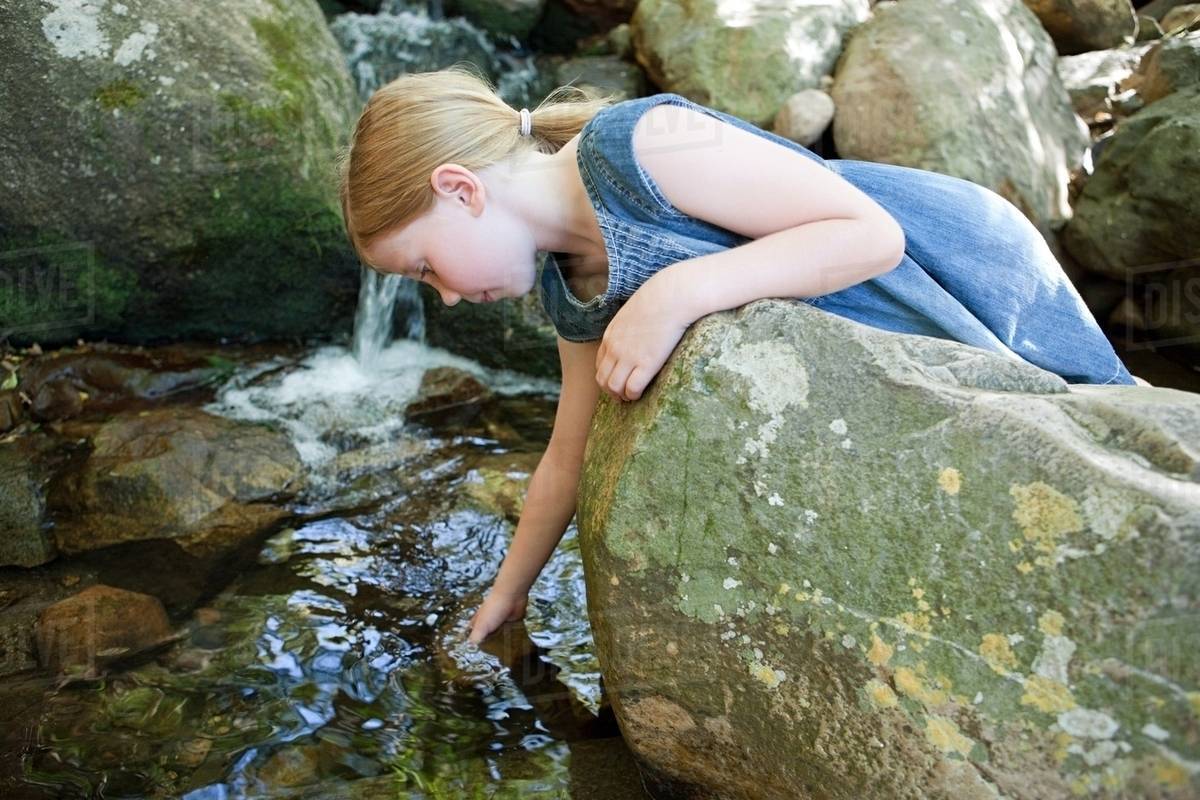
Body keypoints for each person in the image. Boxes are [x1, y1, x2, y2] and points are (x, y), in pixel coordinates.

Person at [336, 65, 1141, 645]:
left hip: (959, 265)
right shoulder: (566, 288)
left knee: (1108, 429)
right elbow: (567, 456)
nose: (441, 296)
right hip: (876, 334)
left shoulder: (638, 145)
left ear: (461, 190)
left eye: (425, 268)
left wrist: (679, 292)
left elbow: (869, 236)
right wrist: (508, 595)